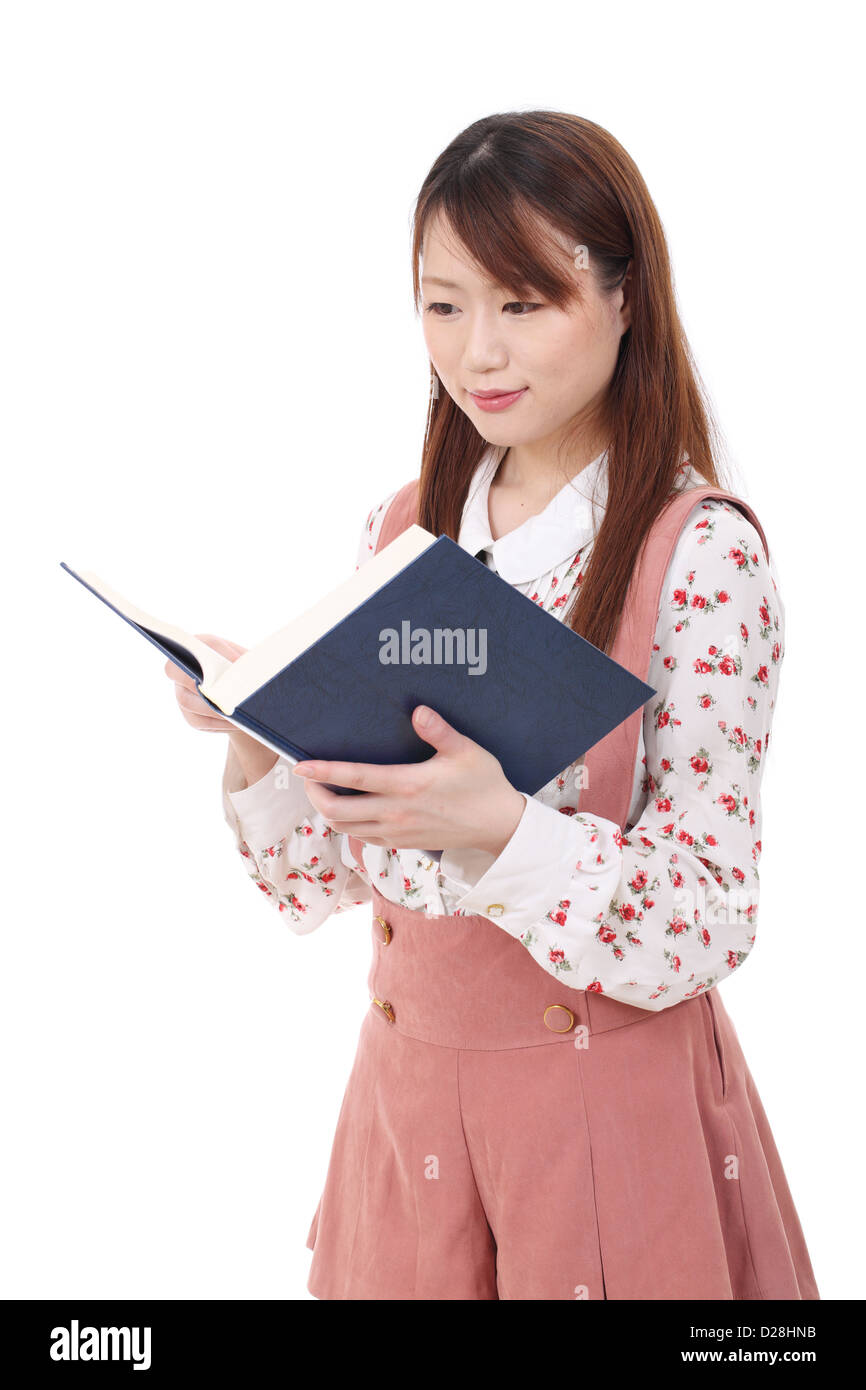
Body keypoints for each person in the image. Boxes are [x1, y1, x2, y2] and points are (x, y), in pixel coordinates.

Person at [165, 110, 820, 1301]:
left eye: (522, 303)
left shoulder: (698, 554)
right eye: (442, 304)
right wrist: (257, 737)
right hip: (407, 1125)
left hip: (604, 1134)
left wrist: (501, 832)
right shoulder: (402, 524)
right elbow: (322, 885)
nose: (477, 353)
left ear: (625, 297)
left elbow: (707, 918)